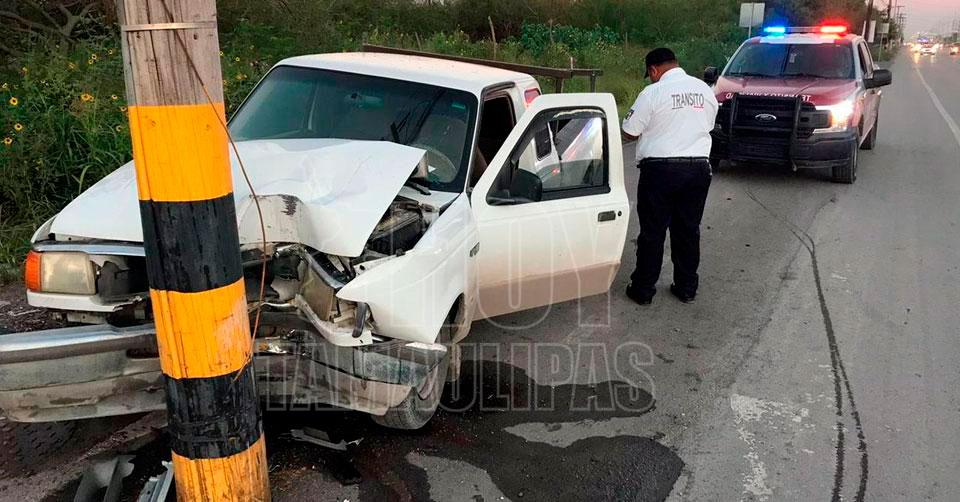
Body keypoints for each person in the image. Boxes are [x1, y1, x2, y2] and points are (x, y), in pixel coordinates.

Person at [622, 48, 719, 305]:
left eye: (650, 74)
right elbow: (708, 125)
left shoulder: (652, 92)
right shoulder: (704, 90)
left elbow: (630, 131)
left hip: (660, 171)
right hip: (698, 169)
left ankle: (643, 290)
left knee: (653, 231)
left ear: (654, 70)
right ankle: (686, 288)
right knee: (688, 230)